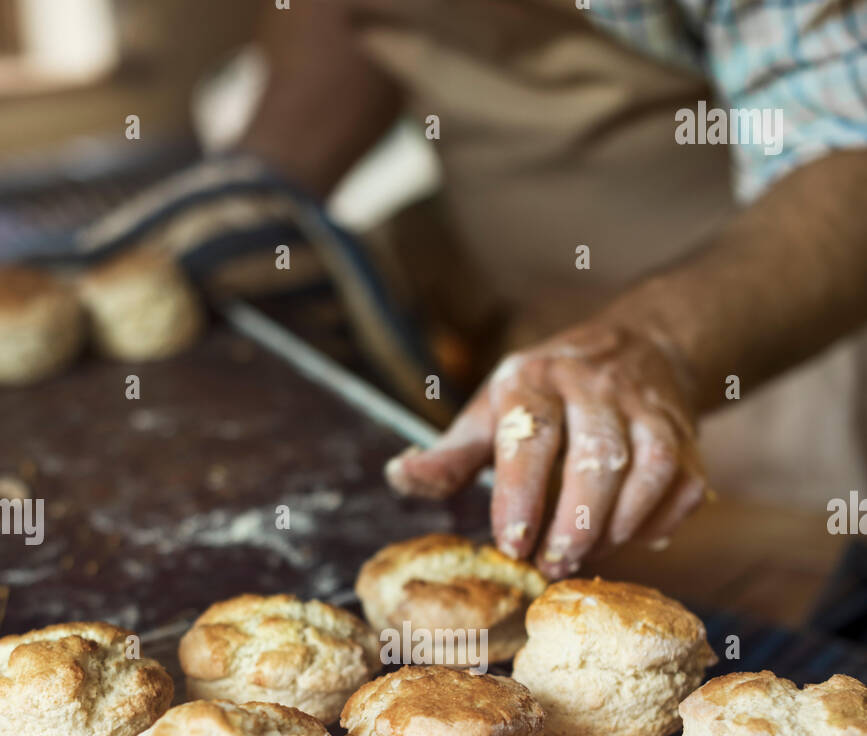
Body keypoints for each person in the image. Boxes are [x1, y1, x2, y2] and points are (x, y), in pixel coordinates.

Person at [235, 0, 867, 578]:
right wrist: (252, 192)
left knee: (732, 645)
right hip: (514, 327)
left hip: (738, 350)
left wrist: (657, 345)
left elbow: (849, 148)